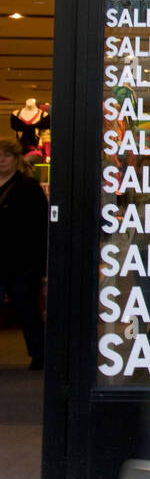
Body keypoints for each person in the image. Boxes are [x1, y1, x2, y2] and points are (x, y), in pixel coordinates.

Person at [0, 136, 48, 369]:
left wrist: (41, 265)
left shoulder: (28, 187)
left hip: (22, 262)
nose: (2, 160)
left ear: (16, 159)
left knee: (27, 309)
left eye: (7, 155)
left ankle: (39, 354)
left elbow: (40, 227)